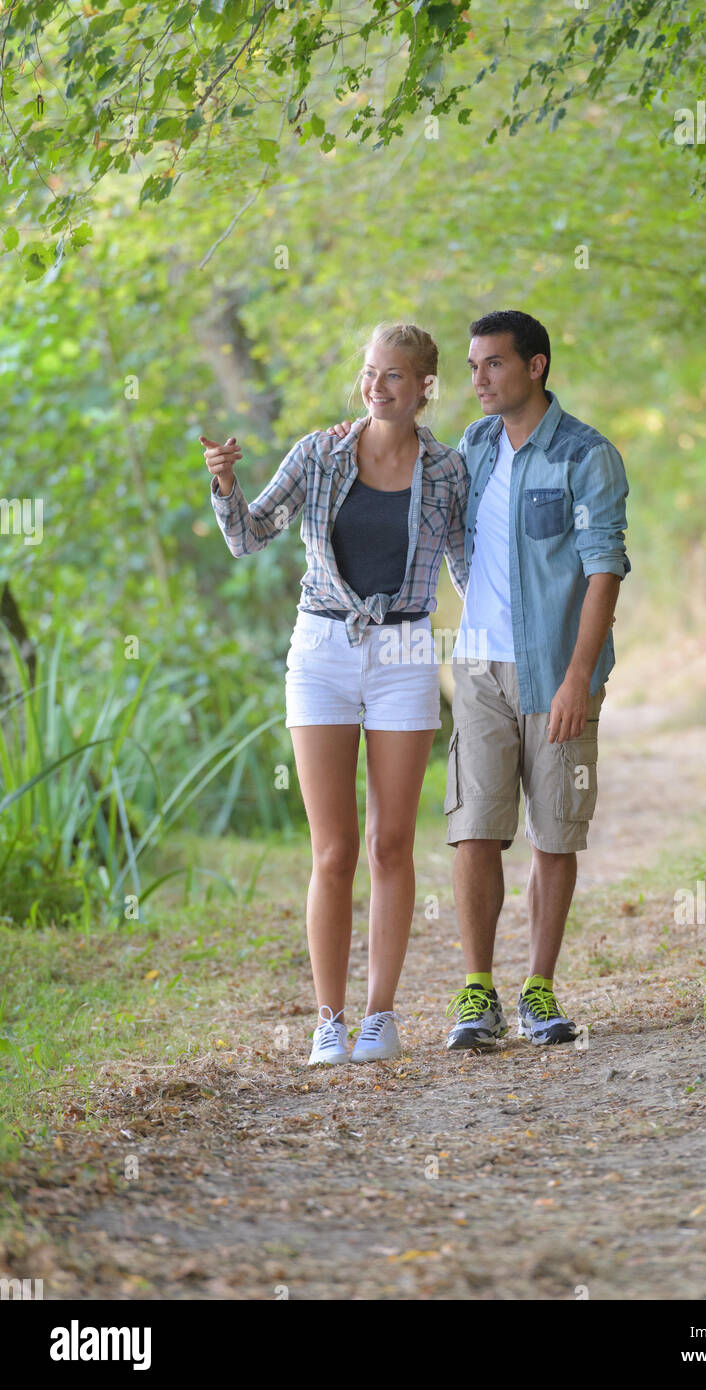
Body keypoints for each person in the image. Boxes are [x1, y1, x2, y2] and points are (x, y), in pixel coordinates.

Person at [328, 309, 630, 1051]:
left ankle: (539, 988)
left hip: (559, 669)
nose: (477, 379)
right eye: (470, 366)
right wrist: (352, 443)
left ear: (536, 366)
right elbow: (408, 471)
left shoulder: (586, 456)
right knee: (474, 832)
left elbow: (603, 570)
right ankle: (478, 992)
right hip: (479, 668)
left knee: (555, 832)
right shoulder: (474, 449)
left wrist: (576, 679)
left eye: (492, 364)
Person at [201, 323, 468, 1066]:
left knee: (389, 843)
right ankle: (329, 1019)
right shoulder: (319, 453)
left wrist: (503, 649)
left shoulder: (445, 470)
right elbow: (251, 536)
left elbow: (470, 570)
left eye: (393, 376)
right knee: (335, 848)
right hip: (321, 647)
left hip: (408, 648)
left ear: (423, 388)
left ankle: (380, 1016)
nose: (376, 387)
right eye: (369, 373)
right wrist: (226, 485)